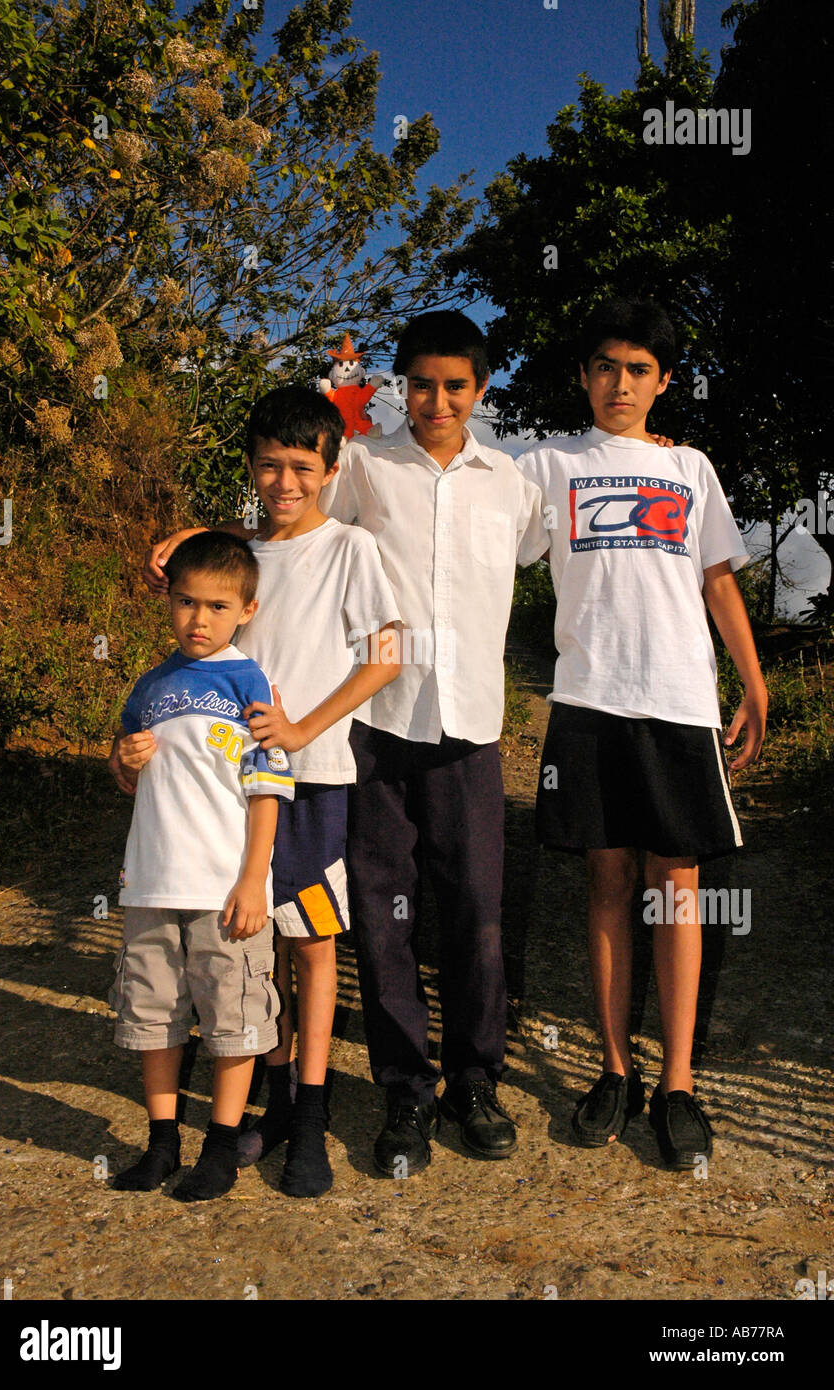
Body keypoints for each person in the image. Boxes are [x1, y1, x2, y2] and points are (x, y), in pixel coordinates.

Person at [130, 386, 401, 1196]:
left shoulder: (352, 548)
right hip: (225, 796)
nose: (285, 482)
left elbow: (385, 655)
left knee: (313, 944)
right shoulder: (237, 558)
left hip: (312, 781)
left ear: (331, 467)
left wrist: (304, 726)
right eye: (270, 466)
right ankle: (273, 1096)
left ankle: (311, 1115)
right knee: (252, 946)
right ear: (251, 468)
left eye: (302, 467)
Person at [515, 297, 767, 1169]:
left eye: (639, 370)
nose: (620, 384)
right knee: (609, 883)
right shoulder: (546, 465)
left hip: (679, 701)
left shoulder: (690, 467)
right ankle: (616, 1072)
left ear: (662, 382)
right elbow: (455, 513)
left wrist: (755, 683)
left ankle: (680, 1083)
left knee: (680, 891)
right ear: (584, 376)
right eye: (605, 367)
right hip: (588, 701)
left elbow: (719, 582)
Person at [316, 310, 553, 1174]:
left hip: (471, 730)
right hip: (377, 721)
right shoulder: (367, 467)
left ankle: (474, 1082)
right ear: (401, 386)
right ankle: (405, 1091)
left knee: (477, 913)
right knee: (382, 914)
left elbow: (542, 549)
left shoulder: (514, 483)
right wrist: (204, 546)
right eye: (422, 384)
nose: (438, 400)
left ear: (480, 391)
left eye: (456, 386)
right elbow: (300, 534)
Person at [108, 530, 294, 1202]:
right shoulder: (151, 684)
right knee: (154, 1015)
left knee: (233, 1017)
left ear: (246, 609)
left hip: (226, 889)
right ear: (169, 601)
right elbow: (126, 768)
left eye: (218, 606)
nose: (199, 619)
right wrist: (123, 762)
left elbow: (268, 789)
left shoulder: (250, 682)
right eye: (187, 603)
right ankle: (162, 1142)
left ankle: (219, 1147)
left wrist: (253, 880)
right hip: (152, 881)